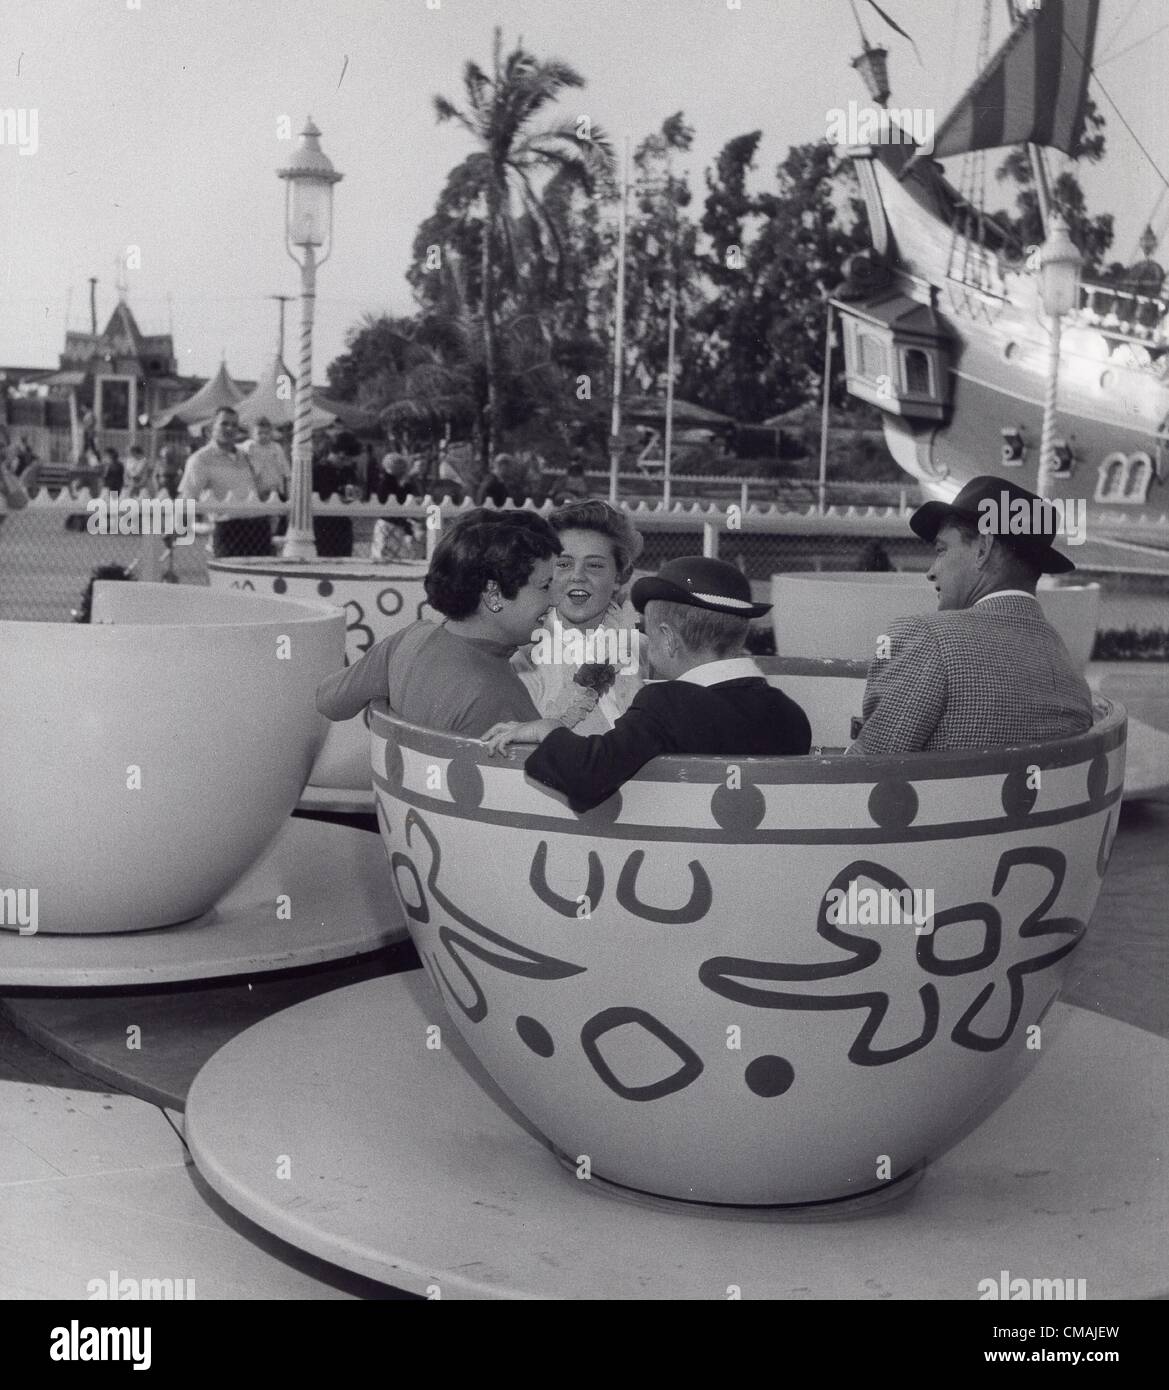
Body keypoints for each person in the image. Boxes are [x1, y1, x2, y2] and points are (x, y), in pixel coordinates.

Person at [485, 556, 812, 813]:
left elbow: (587, 774)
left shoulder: (667, 703)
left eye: (650, 633)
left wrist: (546, 729)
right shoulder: (791, 714)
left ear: (669, 640)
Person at [848, 475, 1094, 755]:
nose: (931, 571)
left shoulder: (929, 639)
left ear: (982, 549)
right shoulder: (1069, 668)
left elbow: (863, 773)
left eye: (942, 550)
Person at [317, 509, 560, 736]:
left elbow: (329, 701)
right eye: (545, 586)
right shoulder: (500, 699)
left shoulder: (408, 639)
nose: (556, 599)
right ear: (493, 593)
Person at [512, 500, 645, 735]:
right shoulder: (522, 654)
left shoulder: (643, 650)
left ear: (619, 577)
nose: (578, 576)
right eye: (564, 564)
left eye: (594, 565)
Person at [178, 406, 269, 557]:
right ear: (211, 428)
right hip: (229, 531)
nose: (230, 428)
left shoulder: (246, 456)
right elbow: (188, 495)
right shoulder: (200, 460)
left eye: (234, 425)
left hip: (258, 528)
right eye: (224, 423)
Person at [241, 417, 290, 498]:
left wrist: (287, 478)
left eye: (266, 433)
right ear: (252, 434)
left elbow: (285, 466)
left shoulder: (276, 447)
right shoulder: (250, 445)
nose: (263, 436)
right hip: (258, 487)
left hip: (275, 486)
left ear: (271, 433)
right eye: (259, 433)